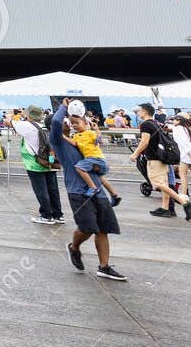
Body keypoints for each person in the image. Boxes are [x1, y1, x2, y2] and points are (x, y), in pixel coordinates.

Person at [50, 98, 126, 281]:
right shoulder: (58, 141)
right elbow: (55, 122)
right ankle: (74, 247)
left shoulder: (82, 140)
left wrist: (111, 191)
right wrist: (63, 106)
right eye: (68, 121)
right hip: (78, 191)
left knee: (103, 229)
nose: (70, 124)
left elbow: (96, 167)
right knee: (87, 228)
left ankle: (104, 266)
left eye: (74, 122)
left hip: (97, 190)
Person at [131, 102, 191, 220]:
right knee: (164, 184)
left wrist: (135, 154)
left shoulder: (145, 124)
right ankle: (165, 208)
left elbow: (145, 141)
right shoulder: (155, 123)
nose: (138, 113)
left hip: (154, 159)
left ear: (145, 112)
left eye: (139, 110)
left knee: (158, 184)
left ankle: (186, 204)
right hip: (162, 158)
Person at [13, 105, 63, 225]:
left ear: (29, 115)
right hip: (51, 161)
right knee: (53, 190)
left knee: (41, 190)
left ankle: (46, 215)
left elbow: (8, 122)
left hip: (35, 163)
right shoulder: (47, 125)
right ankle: (58, 215)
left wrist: (18, 114)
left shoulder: (26, 126)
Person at [60, 111, 121, 207]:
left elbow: (99, 139)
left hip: (96, 159)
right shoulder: (76, 136)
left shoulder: (89, 133)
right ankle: (114, 194)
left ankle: (92, 187)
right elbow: (74, 143)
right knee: (99, 178)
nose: (74, 125)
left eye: (77, 123)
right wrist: (64, 136)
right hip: (94, 161)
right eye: (72, 123)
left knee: (79, 168)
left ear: (85, 123)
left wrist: (96, 130)